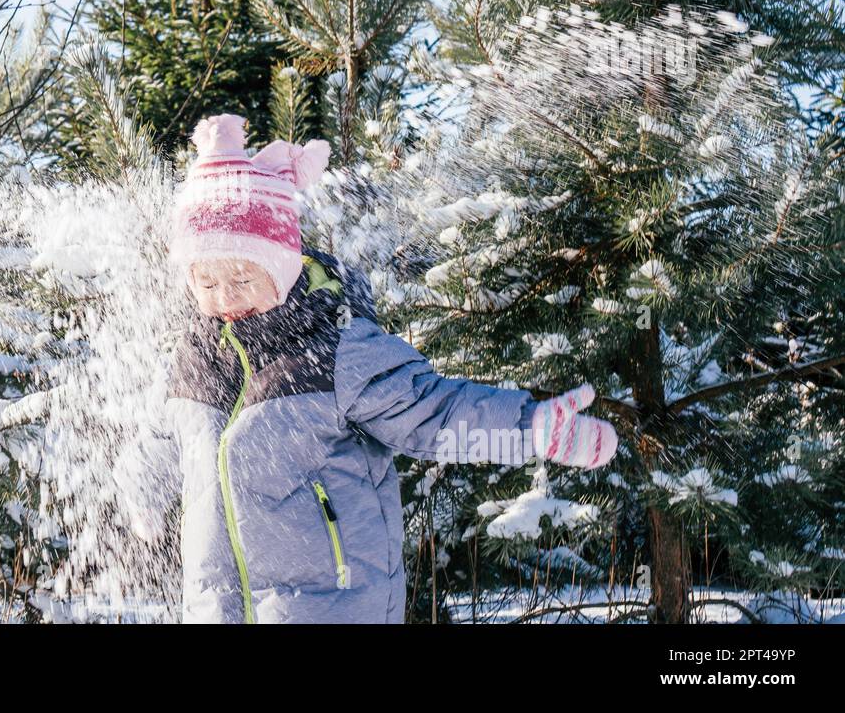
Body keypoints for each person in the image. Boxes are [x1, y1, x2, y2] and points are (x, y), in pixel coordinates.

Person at [117, 112, 618, 623]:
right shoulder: (191, 363)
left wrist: (531, 430)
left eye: (243, 280)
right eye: (206, 283)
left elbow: (435, 415)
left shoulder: (334, 352)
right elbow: (161, 439)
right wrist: (143, 490)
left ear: (283, 268)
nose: (225, 298)